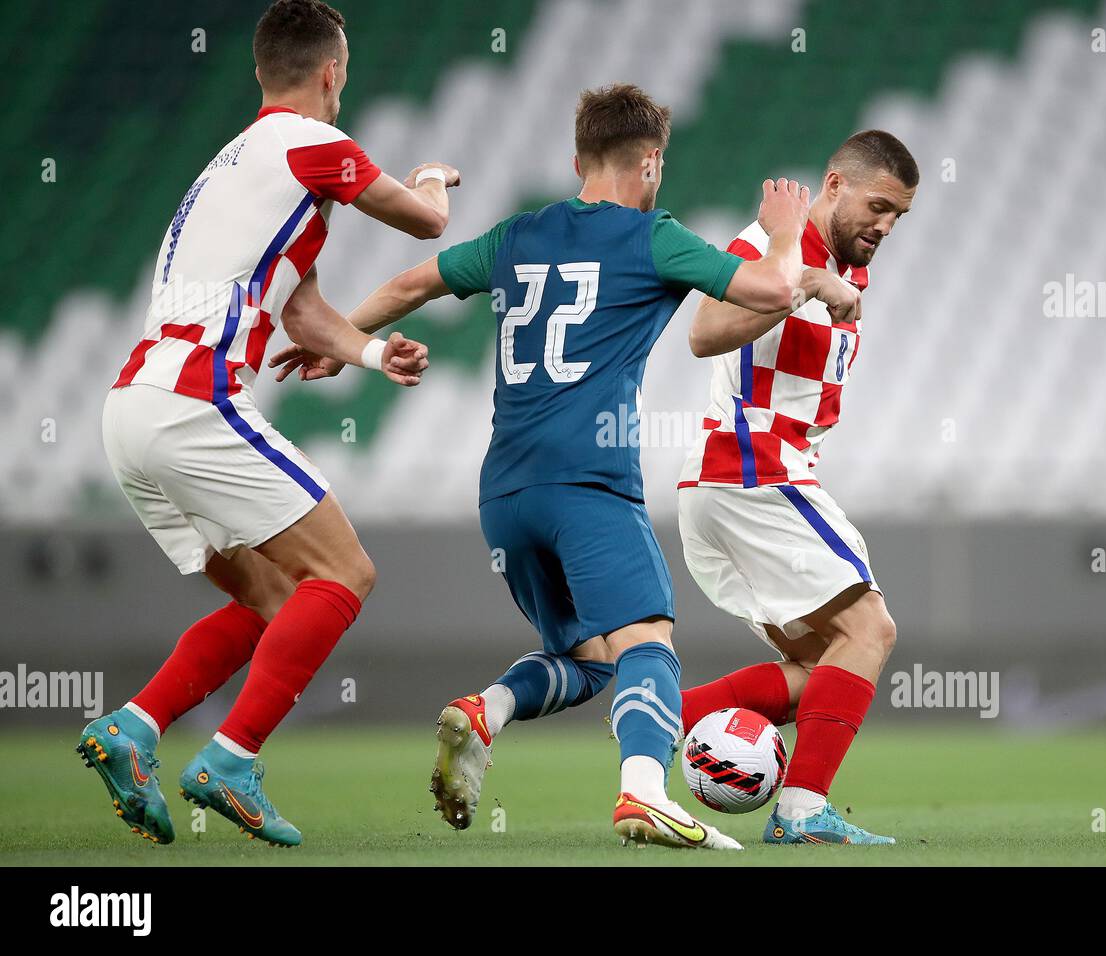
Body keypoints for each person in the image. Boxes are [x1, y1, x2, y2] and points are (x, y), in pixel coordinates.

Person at [271, 84, 809, 850]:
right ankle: (644, 794)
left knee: (586, 660)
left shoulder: (518, 235)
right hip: (589, 483)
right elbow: (774, 289)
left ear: (576, 160)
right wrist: (785, 233)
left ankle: (486, 710)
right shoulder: (652, 236)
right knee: (645, 641)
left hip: (505, 492)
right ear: (651, 160)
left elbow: (410, 283)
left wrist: (341, 339)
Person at [80, 0, 458, 848]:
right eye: (344, 72)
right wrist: (436, 174)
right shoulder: (317, 147)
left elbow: (302, 312)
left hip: (131, 410)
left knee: (275, 600)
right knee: (346, 573)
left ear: (259, 72)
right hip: (194, 401)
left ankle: (134, 729)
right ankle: (231, 757)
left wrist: (366, 354)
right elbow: (427, 220)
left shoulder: (232, 165)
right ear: (332, 73)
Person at [676, 130, 918, 845]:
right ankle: (802, 813)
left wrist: (827, 281)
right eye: (877, 205)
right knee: (870, 629)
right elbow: (705, 331)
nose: (885, 225)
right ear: (834, 186)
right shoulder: (778, 244)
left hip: (741, 480)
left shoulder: (848, 263)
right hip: (753, 468)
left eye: (899, 215)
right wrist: (804, 280)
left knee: (820, 667)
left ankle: (656, 714)